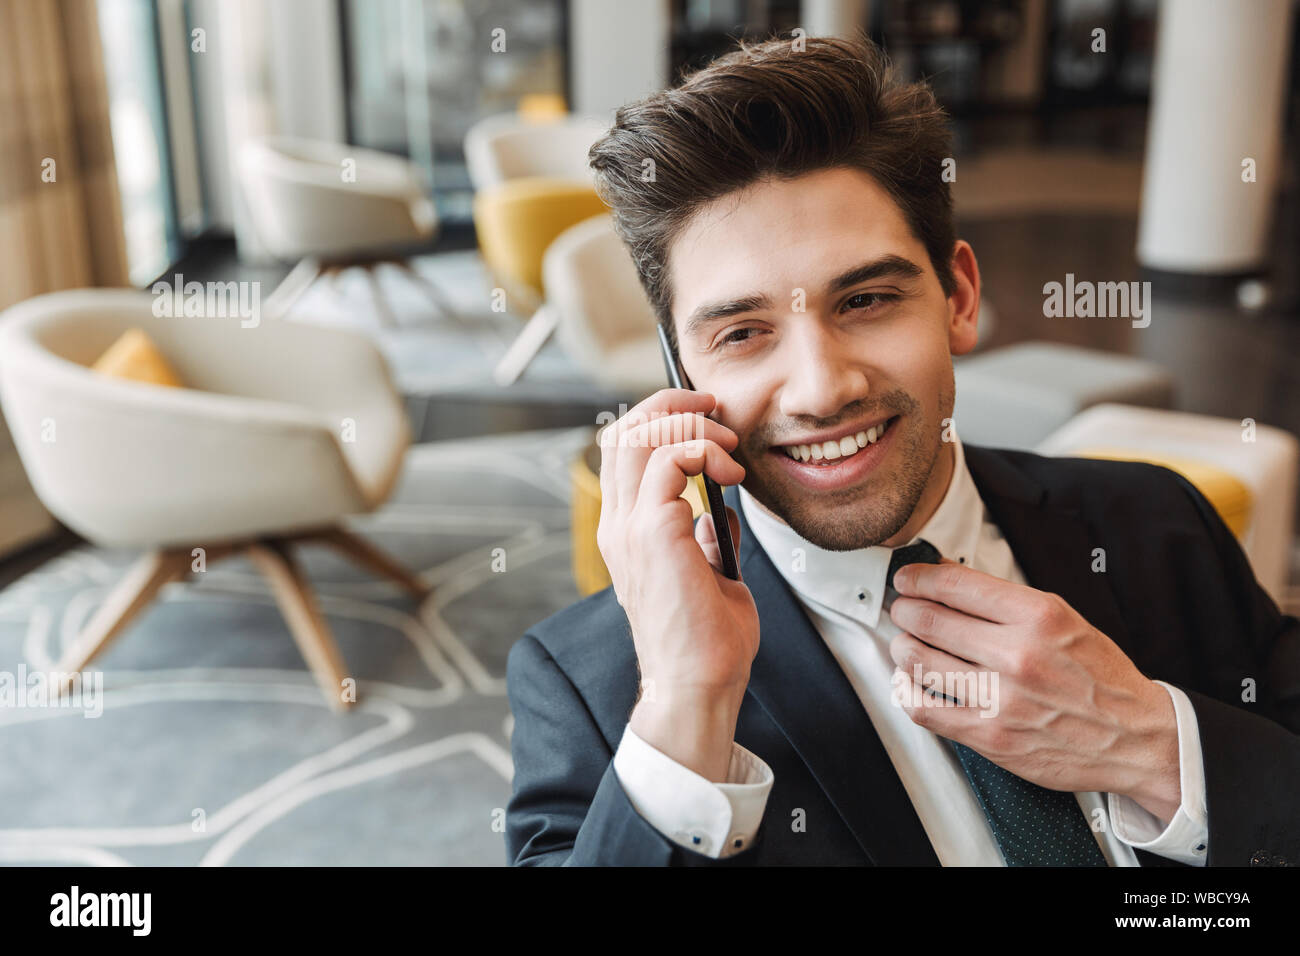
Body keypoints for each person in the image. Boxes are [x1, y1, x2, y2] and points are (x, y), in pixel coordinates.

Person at [504, 33, 1300, 866]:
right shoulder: (587, 689)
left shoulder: (1158, 522)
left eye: (868, 300)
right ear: (676, 371)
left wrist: (1154, 749)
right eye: (742, 333)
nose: (821, 389)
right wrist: (687, 707)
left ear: (959, 298)